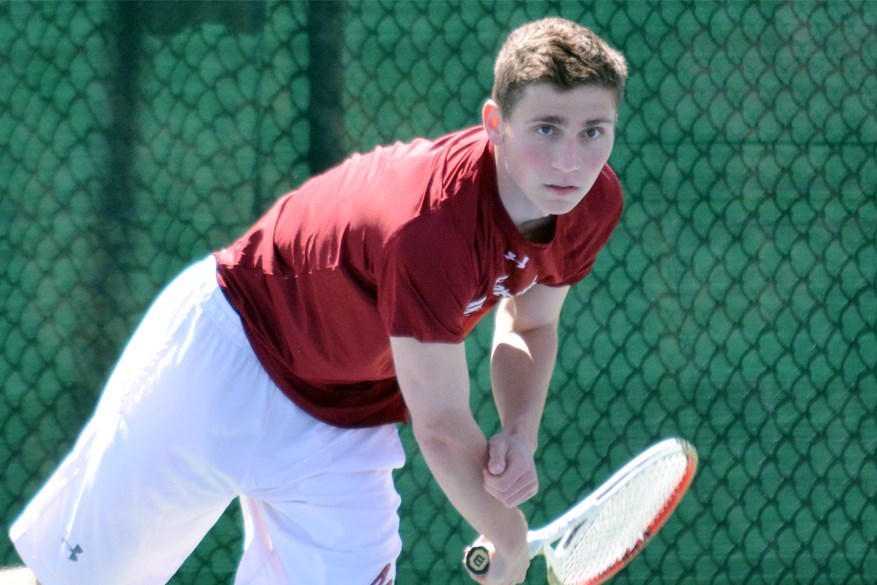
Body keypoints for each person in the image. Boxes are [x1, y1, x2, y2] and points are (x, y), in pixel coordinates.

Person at [1, 16, 628, 585]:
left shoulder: (591, 202)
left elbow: (532, 323)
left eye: (592, 132)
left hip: (344, 418)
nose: (570, 160)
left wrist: (521, 430)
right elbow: (439, 427)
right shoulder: (430, 230)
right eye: (546, 129)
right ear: (496, 124)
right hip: (225, 358)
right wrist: (507, 532)